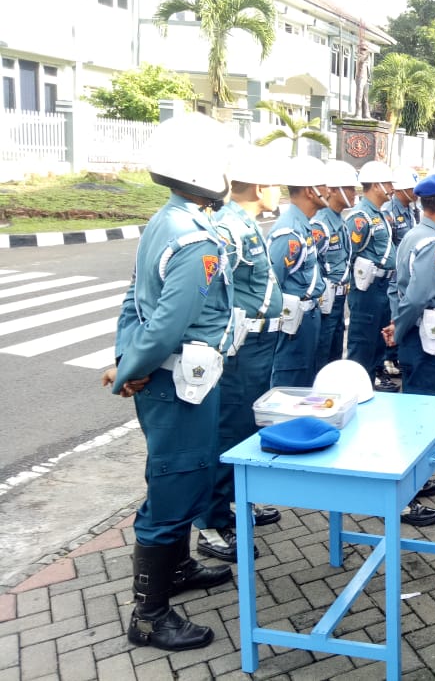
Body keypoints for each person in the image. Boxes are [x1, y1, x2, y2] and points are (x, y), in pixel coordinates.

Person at [102, 115, 236, 652]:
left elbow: (133, 302)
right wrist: (129, 370)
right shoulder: (194, 239)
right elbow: (164, 326)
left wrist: (125, 360)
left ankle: (177, 567)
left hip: (177, 379)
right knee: (175, 485)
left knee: (185, 479)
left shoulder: (165, 221)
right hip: (179, 383)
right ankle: (149, 615)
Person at [193, 145, 285, 564]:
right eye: (276, 185)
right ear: (261, 186)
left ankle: (234, 502)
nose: (279, 192)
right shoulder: (230, 227)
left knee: (246, 427)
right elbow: (209, 286)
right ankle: (211, 523)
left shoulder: (244, 222)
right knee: (228, 430)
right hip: (241, 346)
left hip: (259, 342)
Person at [382, 172, 435, 517]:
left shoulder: (419, 235)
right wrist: (400, 329)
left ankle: (415, 479)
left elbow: (396, 289)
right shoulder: (430, 242)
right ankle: (403, 498)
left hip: (424, 337)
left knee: (419, 411)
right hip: (427, 341)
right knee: (420, 417)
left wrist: (395, 323)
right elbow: (417, 296)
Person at [267, 157, 329, 388]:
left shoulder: (303, 224)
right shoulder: (289, 231)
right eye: (324, 186)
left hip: (307, 320)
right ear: (310, 191)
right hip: (294, 323)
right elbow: (272, 284)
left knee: (304, 383)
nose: (329, 191)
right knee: (289, 385)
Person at [345, 160, 398, 391]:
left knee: (377, 339)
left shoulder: (379, 215)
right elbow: (348, 254)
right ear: (376, 185)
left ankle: (373, 378)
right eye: (387, 182)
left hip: (383, 285)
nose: (392, 187)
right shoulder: (360, 217)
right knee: (363, 340)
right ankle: (358, 386)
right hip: (367, 288)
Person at [312, 162, 359, 371]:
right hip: (325, 302)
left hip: (339, 300)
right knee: (320, 359)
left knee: (334, 357)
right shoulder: (321, 224)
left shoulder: (339, 220)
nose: (354, 193)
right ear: (331, 190)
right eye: (349, 188)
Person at [381, 167, 420, 378]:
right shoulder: (389, 212)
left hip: (407, 274)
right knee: (393, 314)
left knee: (400, 313)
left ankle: (393, 355)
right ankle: (388, 357)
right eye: (411, 189)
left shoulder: (411, 210)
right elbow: (387, 246)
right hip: (394, 276)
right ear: (401, 189)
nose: (415, 193)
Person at [354, 37, 371, 120]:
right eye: (363, 49)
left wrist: (369, 78)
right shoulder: (359, 56)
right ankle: (358, 113)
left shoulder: (367, 57)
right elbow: (362, 60)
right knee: (359, 96)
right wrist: (366, 56)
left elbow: (367, 68)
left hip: (366, 78)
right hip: (360, 77)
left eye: (365, 49)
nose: (364, 51)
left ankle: (366, 114)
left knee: (365, 97)